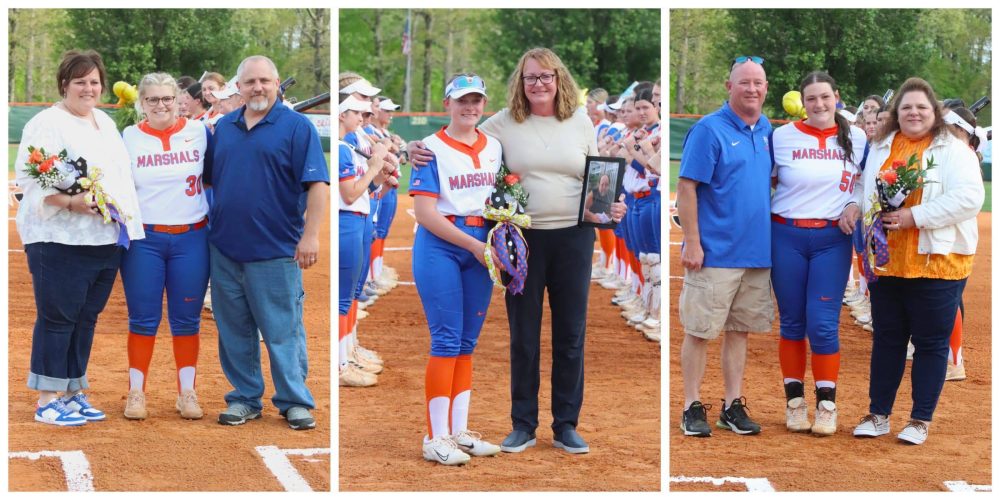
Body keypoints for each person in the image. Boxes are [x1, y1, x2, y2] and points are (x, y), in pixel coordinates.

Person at [409, 48, 626, 454]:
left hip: (575, 237)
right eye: (530, 77)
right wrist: (413, 150)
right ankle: (523, 424)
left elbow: (600, 177)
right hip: (522, 241)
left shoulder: (582, 122)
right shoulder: (503, 123)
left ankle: (566, 425)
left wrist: (613, 205)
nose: (538, 83)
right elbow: (457, 132)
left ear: (559, 79)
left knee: (571, 334)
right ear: (519, 83)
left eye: (545, 76)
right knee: (523, 334)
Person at [845, 77, 984, 445]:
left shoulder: (953, 149)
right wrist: (858, 206)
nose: (914, 113)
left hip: (937, 262)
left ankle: (920, 419)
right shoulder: (881, 145)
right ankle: (878, 414)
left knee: (930, 342)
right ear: (897, 112)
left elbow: (970, 198)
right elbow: (865, 185)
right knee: (888, 339)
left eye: (922, 107)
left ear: (934, 111)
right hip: (889, 260)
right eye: (907, 107)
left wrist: (915, 216)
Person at [15, 49, 144, 426]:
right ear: (64, 85)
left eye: (94, 82)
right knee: (58, 318)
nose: (88, 88)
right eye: (80, 82)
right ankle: (47, 398)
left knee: (86, 318)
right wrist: (72, 202)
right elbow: (30, 180)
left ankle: (72, 390)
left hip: (104, 240)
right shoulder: (46, 123)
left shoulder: (104, 121)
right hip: (58, 239)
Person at [207, 55, 329, 430]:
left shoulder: (296, 127)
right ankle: (245, 398)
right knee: (234, 331)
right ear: (238, 87)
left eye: (264, 81)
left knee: (282, 330)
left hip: (276, 249)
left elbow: (318, 185)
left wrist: (310, 235)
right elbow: (211, 181)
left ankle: (294, 401)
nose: (257, 88)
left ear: (277, 84)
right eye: (250, 82)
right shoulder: (224, 127)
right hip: (226, 248)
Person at [409, 73, 505, 466]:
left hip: (480, 247)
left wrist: (500, 241)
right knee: (446, 341)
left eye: (476, 100)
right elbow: (425, 213)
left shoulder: (495, 146)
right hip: (442, 247)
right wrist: (476, 246)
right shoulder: (430, 148)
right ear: (447, 103)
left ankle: (459, 431)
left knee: (467, 344)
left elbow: (503, 196)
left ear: (484, 104)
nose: (470, 108)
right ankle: (435, 437)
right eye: (462, 100)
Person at [677, 55, 772, 437]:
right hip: (714, 253)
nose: (752, 88)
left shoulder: (766, 129)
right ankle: (691, 405)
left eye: (759, 82)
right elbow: (687, 187)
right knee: (700, 330)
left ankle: (732, 405)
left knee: (739, 331)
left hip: (756, 253)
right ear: (729, 87)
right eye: (744, 82)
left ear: (766, 88)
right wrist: (693, 242)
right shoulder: (709, 130)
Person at [769, 71, 867, 435]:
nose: (819, 104)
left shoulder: (855, 136)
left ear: (836, 96)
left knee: (823, 324)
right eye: (811, 99)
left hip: (831, 238)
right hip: (787, 235)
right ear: (803, 101)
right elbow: (765, 180)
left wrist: (855, 205)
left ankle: (827, 403)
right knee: (793, 321)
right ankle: (794, 401)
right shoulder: (782, 136)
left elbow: (863, 183)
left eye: (825, 97)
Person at [120, 72, 211, 420]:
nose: (161, 105)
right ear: (142, 103)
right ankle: (136, 392)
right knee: (143, 318)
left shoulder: (199, 132)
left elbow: (214, 176)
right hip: (145, 239)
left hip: (191, 236)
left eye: (167, 98)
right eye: (153, 99)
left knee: (186, 320)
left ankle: (186, 392)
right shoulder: (128, 137)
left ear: (179, 100)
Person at [338, 93, 393, 387]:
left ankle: (347, 354)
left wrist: (380, 179)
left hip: (357, 219)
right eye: (356, 112)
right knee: (343, 298)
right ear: (342, 114)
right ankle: (340, 363)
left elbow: (363, 189)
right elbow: (348, 193)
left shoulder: (348, 146)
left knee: (351, 294)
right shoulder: (341, 148)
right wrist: (374, 166)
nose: (362, 118)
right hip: (346, 220)